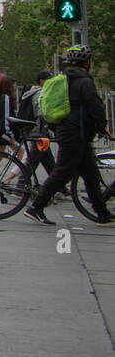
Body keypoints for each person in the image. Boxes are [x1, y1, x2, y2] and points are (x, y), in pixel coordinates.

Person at [24, 46, 114, 225]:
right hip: (76, 133)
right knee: (62, 172)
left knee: (90, 173)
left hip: (70, 131)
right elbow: (95, 106)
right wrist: (102, 126)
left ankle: (102, 212)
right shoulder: (84, 82)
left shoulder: (65, 80)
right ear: (87, 63)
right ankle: (35, 207)